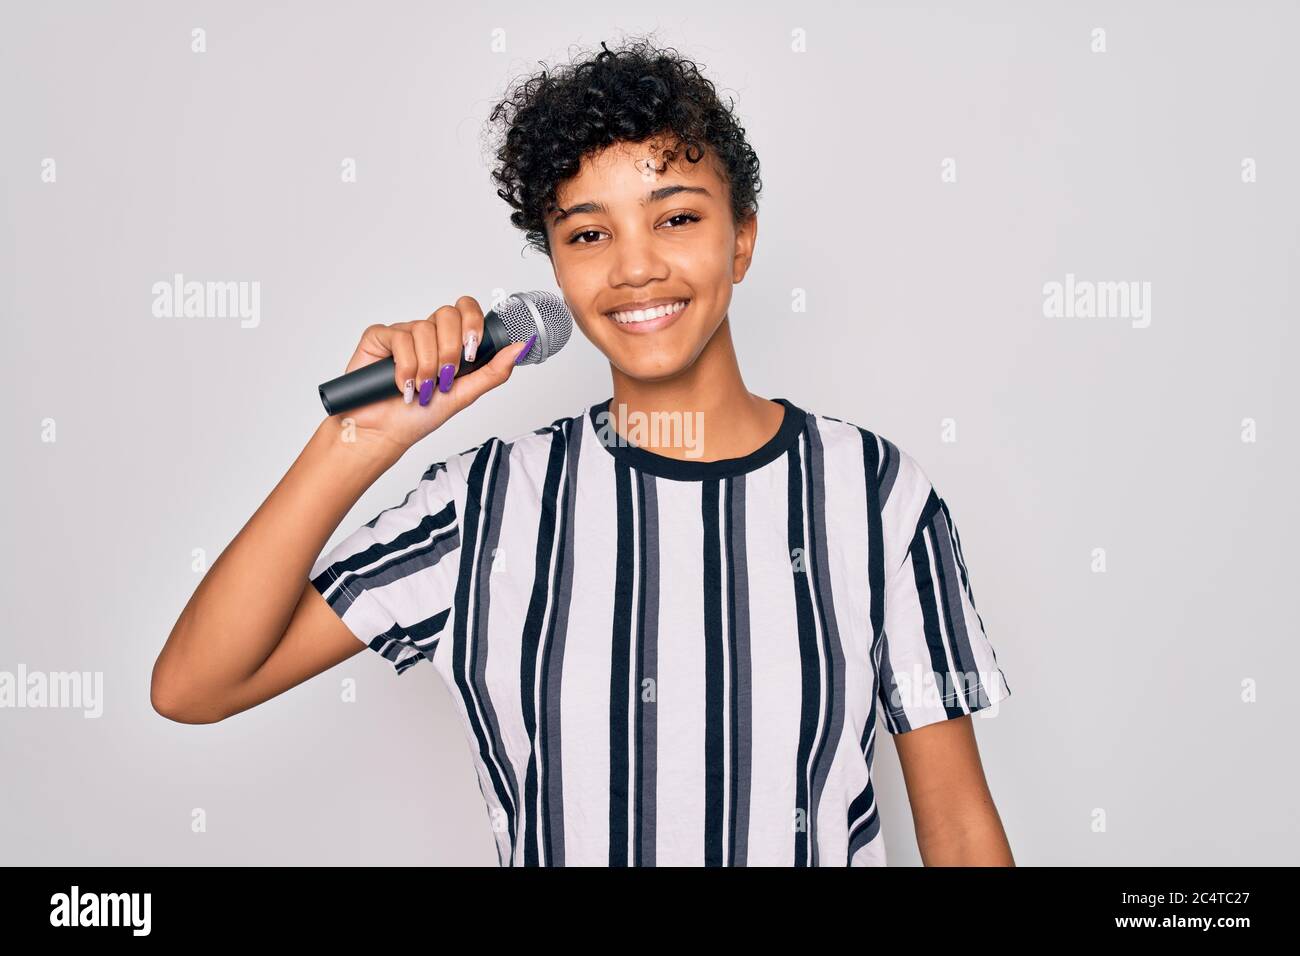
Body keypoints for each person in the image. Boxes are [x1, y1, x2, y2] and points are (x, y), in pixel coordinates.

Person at [152, 35, 1013, 867]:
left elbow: (961, 832)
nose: (635, 268)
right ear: (556, 267)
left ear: (741, 239)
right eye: (589, 234)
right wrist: (357, 440)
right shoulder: (484, 504)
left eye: (676, 217)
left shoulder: (872, 493)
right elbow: (195, 686)